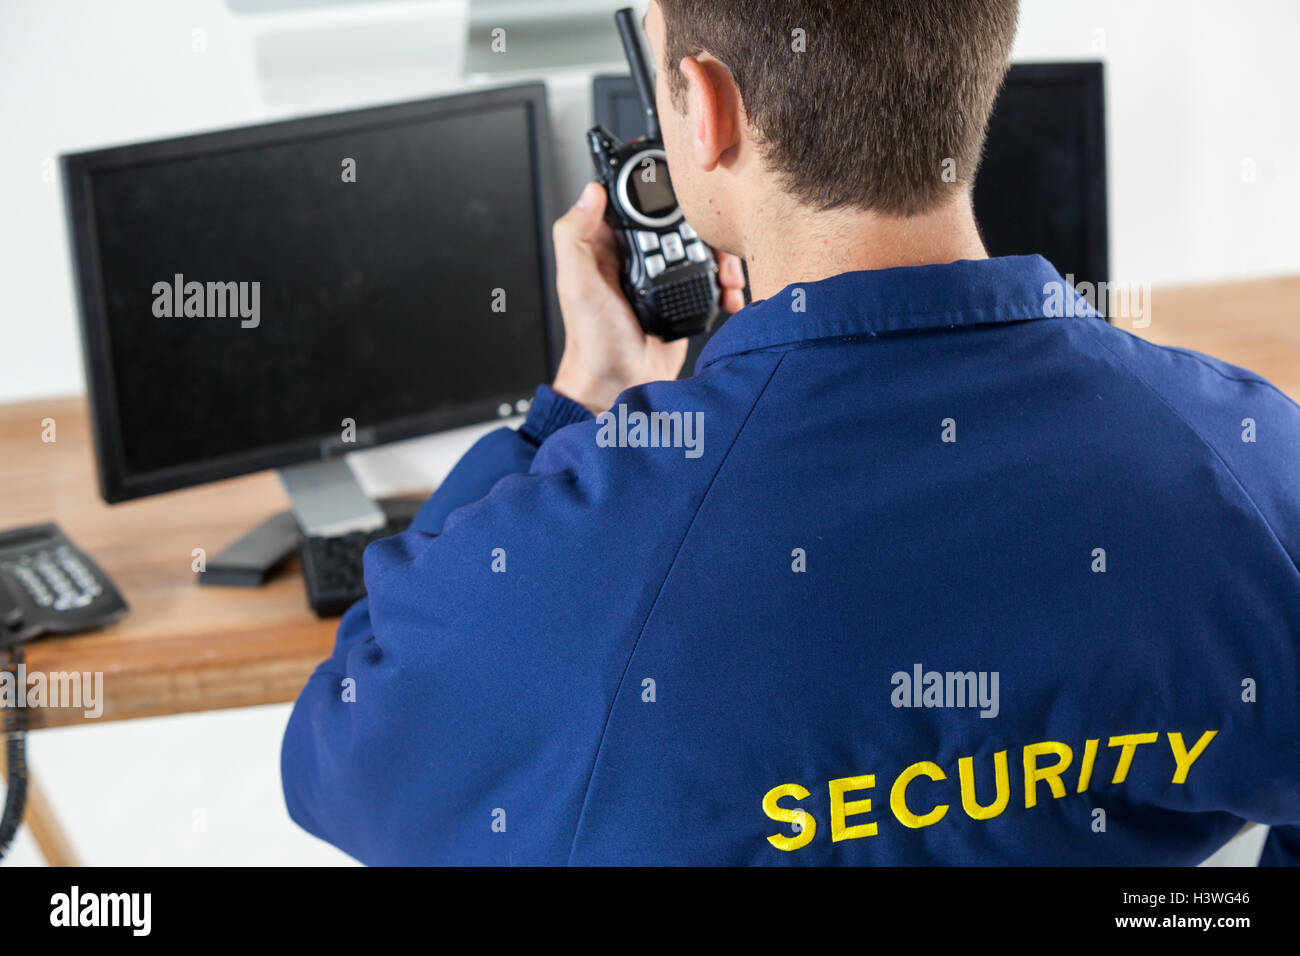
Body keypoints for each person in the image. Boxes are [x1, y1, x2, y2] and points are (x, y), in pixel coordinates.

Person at [281, 0, 1300, 865]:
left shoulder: (576, 568)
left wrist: (575, 403)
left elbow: (344, 744)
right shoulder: (1255, 463)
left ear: (709, 111)